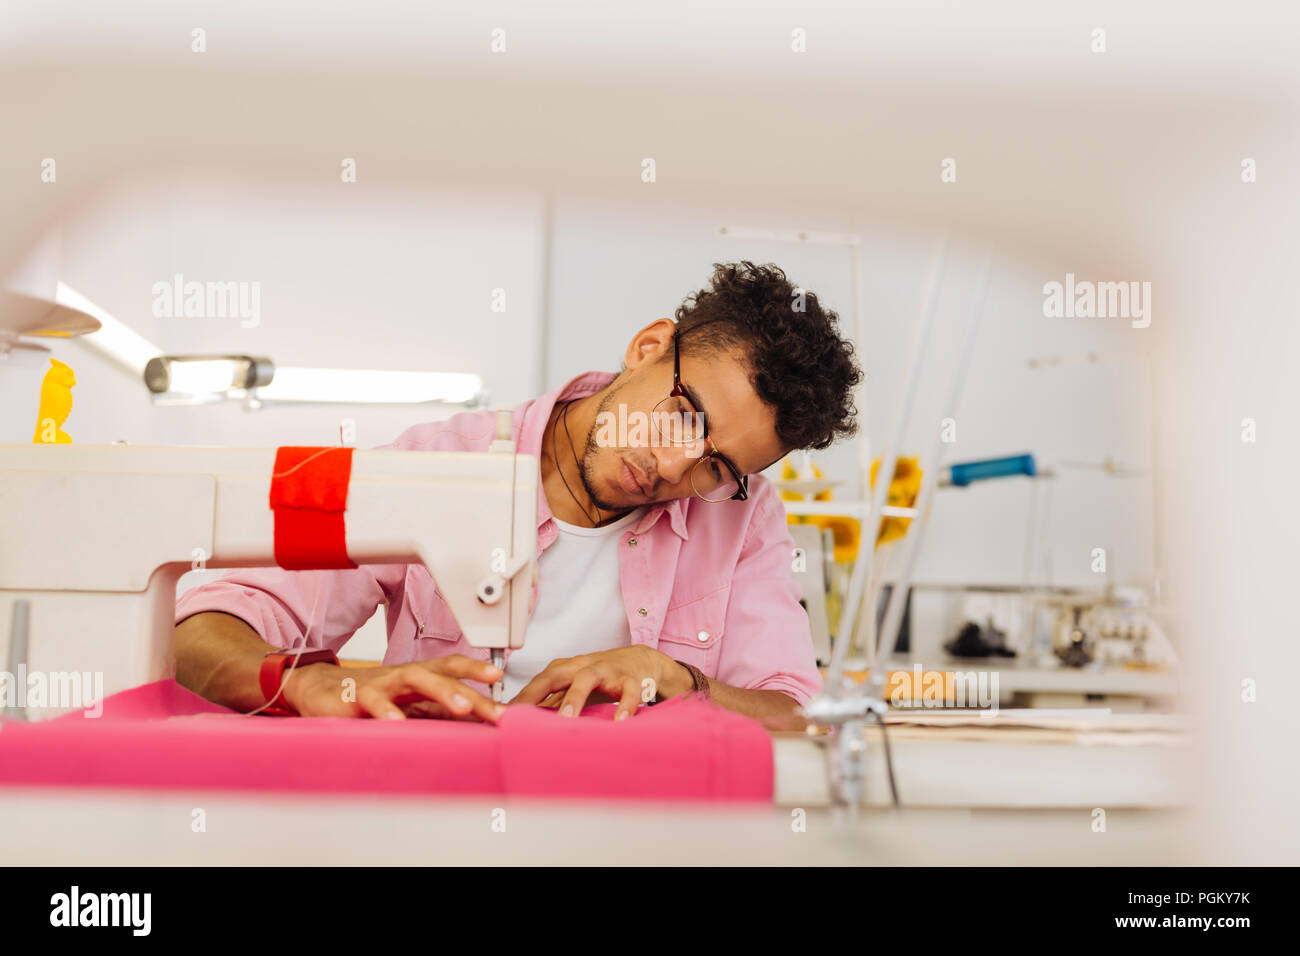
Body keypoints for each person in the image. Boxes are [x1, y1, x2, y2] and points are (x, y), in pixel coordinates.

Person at [173, 261, 862, 724]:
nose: (675, 469)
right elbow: (203, 628)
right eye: (687, 416)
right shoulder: (436, 461)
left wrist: (683, 678)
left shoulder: (742, 517)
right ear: (650, 347)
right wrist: (304, 682)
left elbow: (796, 717)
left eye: (717, 466)